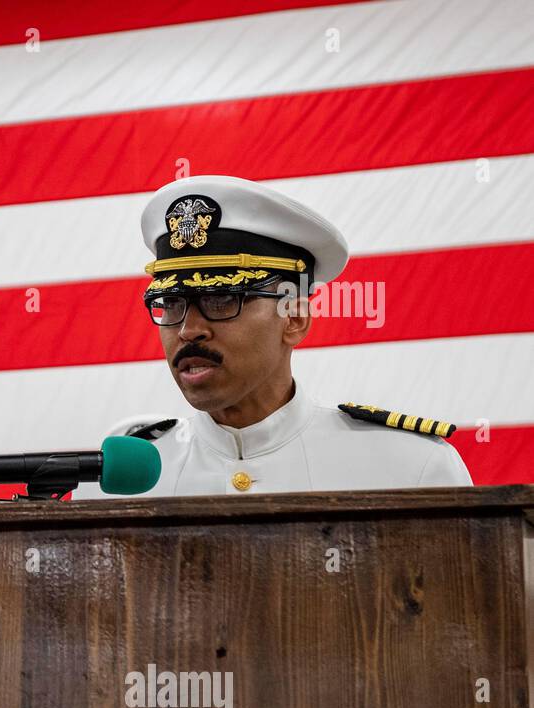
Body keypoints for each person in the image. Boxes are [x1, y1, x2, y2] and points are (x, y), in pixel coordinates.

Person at [75, 175, 471, 498]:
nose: (188, 330)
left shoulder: (411, 469)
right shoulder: (117, 482)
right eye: (171, 303)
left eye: (221, 298)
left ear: (294, 317)